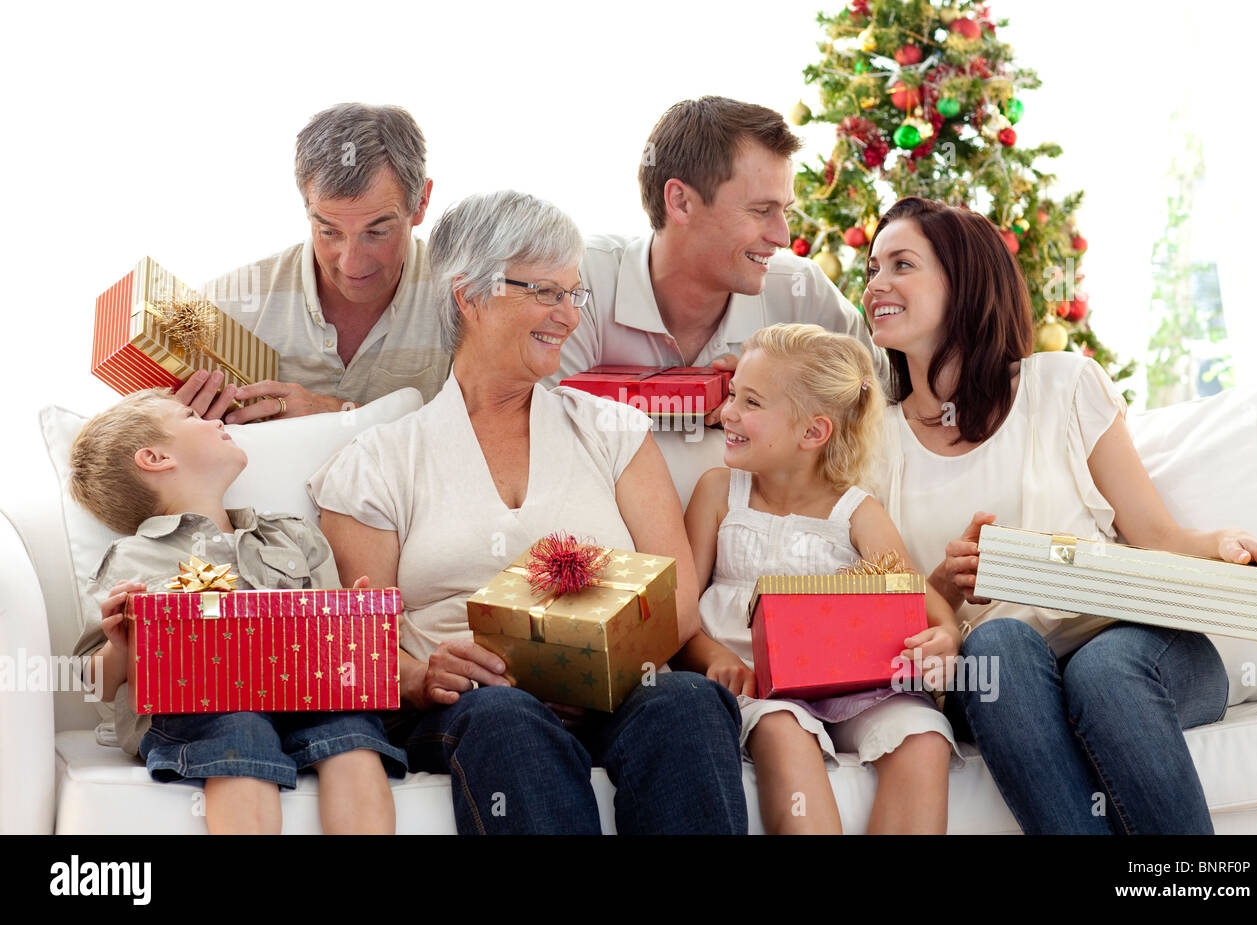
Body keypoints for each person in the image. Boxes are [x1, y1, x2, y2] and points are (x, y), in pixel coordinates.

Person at [309, 190, 748, 835]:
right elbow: (360, 642)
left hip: (615, 686)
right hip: (469, 707)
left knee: (685, 699)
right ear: (469, 296)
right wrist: (420, 676)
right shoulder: (378, 463)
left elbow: (677, 600)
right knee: (507, 716)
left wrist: (581, 669)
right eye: (547, 292)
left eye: (576, 294)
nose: (569, 317)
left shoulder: (613, 432)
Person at [865, 196, 1257, 834]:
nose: (876, 284)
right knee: (999, 643)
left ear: (965, 283)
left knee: (1103, 670)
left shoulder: (1061, 385)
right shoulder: (876, 441)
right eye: (871, 267)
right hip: (1001, 683)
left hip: (1142, 651)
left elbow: (1158, 539)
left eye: (901, 265)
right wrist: (943, 590)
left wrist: (1231, 545)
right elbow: (887, 613)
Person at [68, 390, 407, 834]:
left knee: (351, 728)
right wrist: (121, 645)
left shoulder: (290, 535)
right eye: (191, 415)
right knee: (240, 728)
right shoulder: (133, 558)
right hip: (199, 705)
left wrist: (359, 622)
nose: (214, 420)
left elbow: (336, 646)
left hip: (305, 691)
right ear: (155, 457)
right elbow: (95, 685)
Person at [676, 323, 960, 834]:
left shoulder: (855, 511)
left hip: (852, 685)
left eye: (752, 402)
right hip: (759, 686)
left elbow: (922, 602)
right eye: (733, 394)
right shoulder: (719, 493)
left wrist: (945, 636)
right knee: (783, 728)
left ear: (813, 432)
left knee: (924, 734)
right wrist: (714, 657)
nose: (728, 413)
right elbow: (682, 612)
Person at [552, 96, 885, 505]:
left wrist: (780, 392)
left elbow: (881, 396)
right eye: (762, 210)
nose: (782, 237)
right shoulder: (579, 283)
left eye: (785, 212)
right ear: (680, 202)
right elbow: (546, 445)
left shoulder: (802, 291)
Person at [179, 102, 451, 423]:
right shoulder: (225, 307)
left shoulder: (463, 302)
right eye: (329, 231)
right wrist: (172, 429)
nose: (351, 264)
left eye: (377, 232)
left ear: (421, 203)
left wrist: (336, 413)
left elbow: (488, 439)